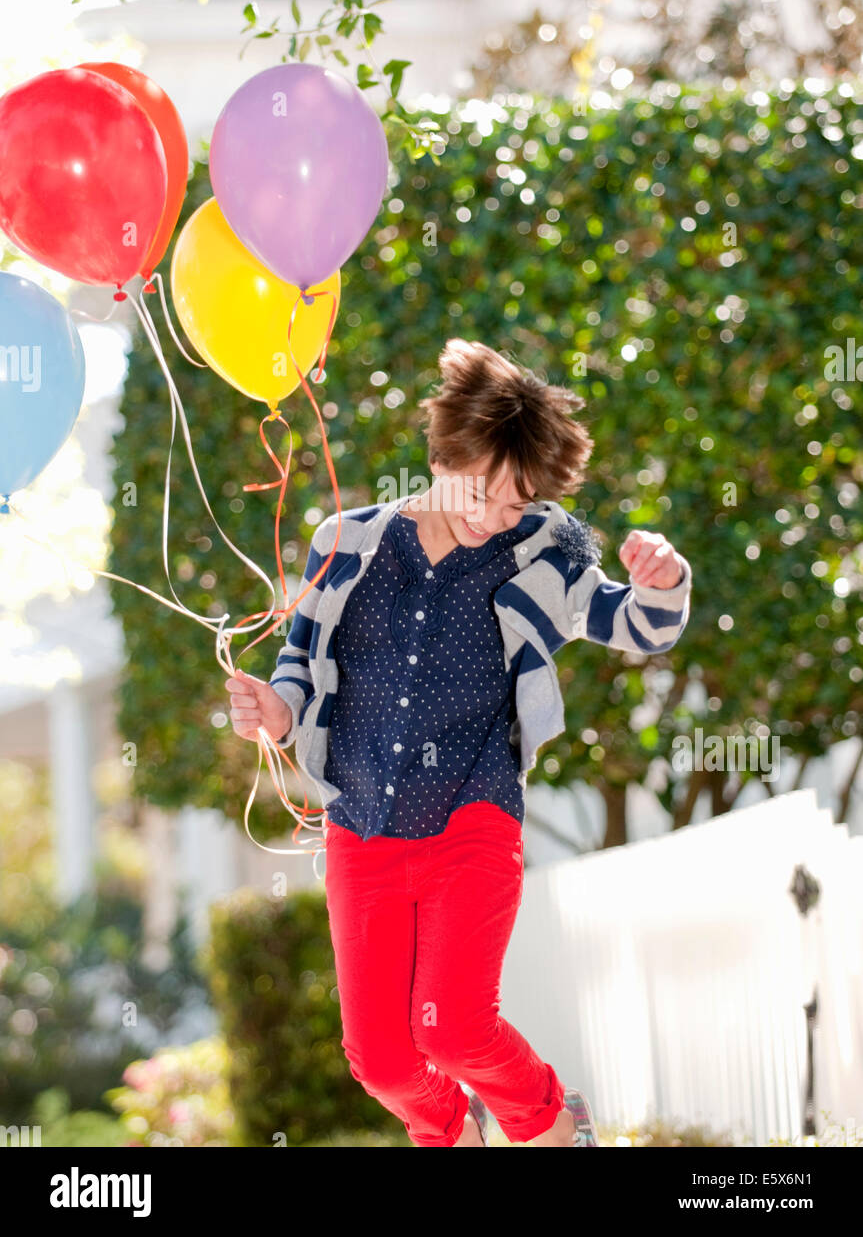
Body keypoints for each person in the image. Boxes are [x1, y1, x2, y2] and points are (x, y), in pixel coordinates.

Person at [227, 338, 692, 1147]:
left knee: (451, 1030)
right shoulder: (346, 544)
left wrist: (663, 579)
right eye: (480, 491)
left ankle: (548, 1118)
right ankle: (452, 1127)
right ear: (441, 456)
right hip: (361, 825)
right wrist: (276, 712)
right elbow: (299, 666)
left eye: (514, 504)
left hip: (470, 820)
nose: (490, 517)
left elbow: (638, 627)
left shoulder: (544, 556)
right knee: (378, 1060)